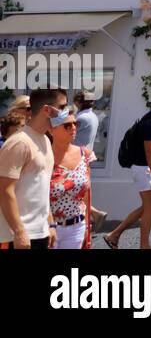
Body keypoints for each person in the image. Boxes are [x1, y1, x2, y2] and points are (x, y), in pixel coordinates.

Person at [105, 85, 151, 250]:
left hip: (148, 169)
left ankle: (114, 235)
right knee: (150, 207)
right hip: (145, 170)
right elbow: (149, 149)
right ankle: (144, 245)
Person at [0, 88, 61, 249]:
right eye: (61, 107)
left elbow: (41, 187)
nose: (66, 113)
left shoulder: (46, 141)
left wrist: (50, 224)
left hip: (40, 233)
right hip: (18, 236)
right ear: (46, 110)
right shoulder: (19, 142)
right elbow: (4, 189)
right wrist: (19, 232)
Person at [48, 106, 94, 249]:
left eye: (76, 124)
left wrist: (87, 225)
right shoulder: (43, 155)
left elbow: (87, 193)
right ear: (51, 130)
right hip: (47, 227)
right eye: (67, 125)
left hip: (76, 227)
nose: (73, 128)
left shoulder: (84, 154)